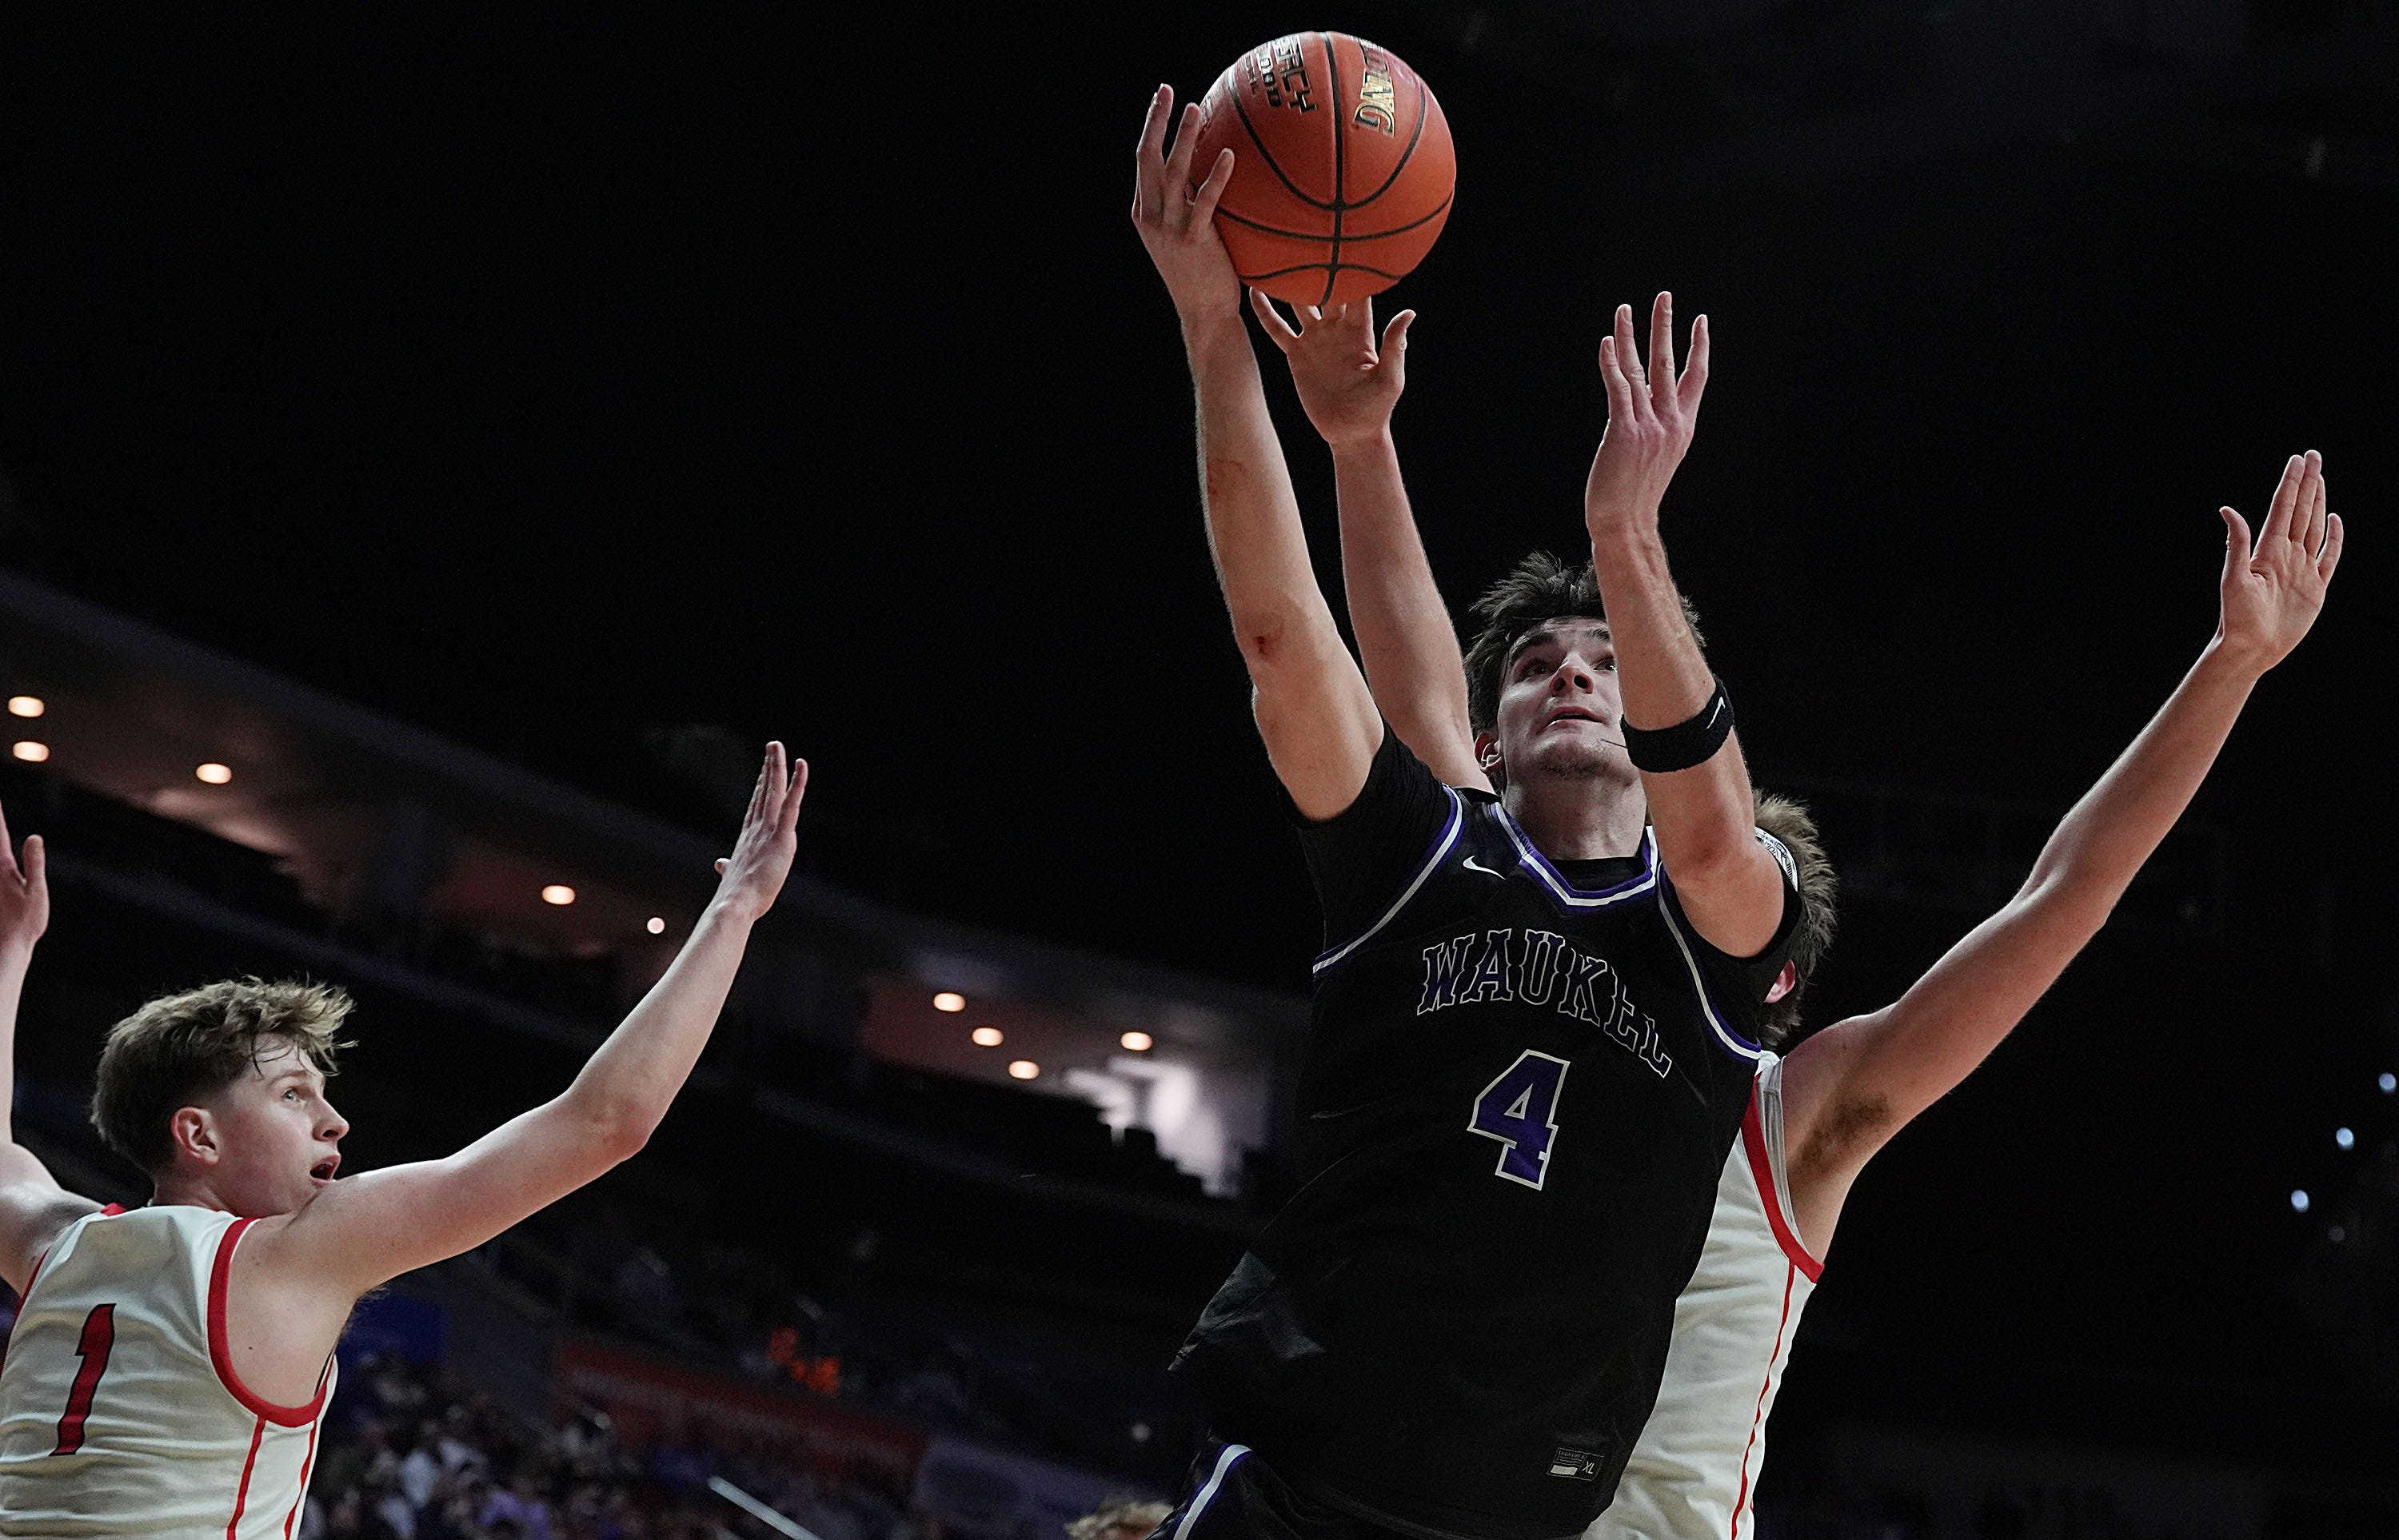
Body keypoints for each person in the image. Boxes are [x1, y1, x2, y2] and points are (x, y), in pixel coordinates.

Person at [1259, 296, 2349, 1538]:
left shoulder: (1793, 1118)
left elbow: (2069, 890)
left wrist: (2232, 663)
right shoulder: (1503, 972)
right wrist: (1358, 443)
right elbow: (1423, 720)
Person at [1131, 87, 1800, 1540]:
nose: (1574, 674)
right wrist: (1212, 328)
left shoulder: (1721, 932)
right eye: (1539, 665)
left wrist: (1627, 533)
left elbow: (1705, 832)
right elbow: (1286, 642)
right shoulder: (1422, 860)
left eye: (1607, 660)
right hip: (1303, 1473)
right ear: (1487, 744)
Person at [0, 744, 810, 1537]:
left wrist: (8, 955)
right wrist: (734, 909)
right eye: (293, 1094)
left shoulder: (57, 1243)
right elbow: (604, 1121)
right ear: (198, 1136)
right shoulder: (286, 1256)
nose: (335, 1122)